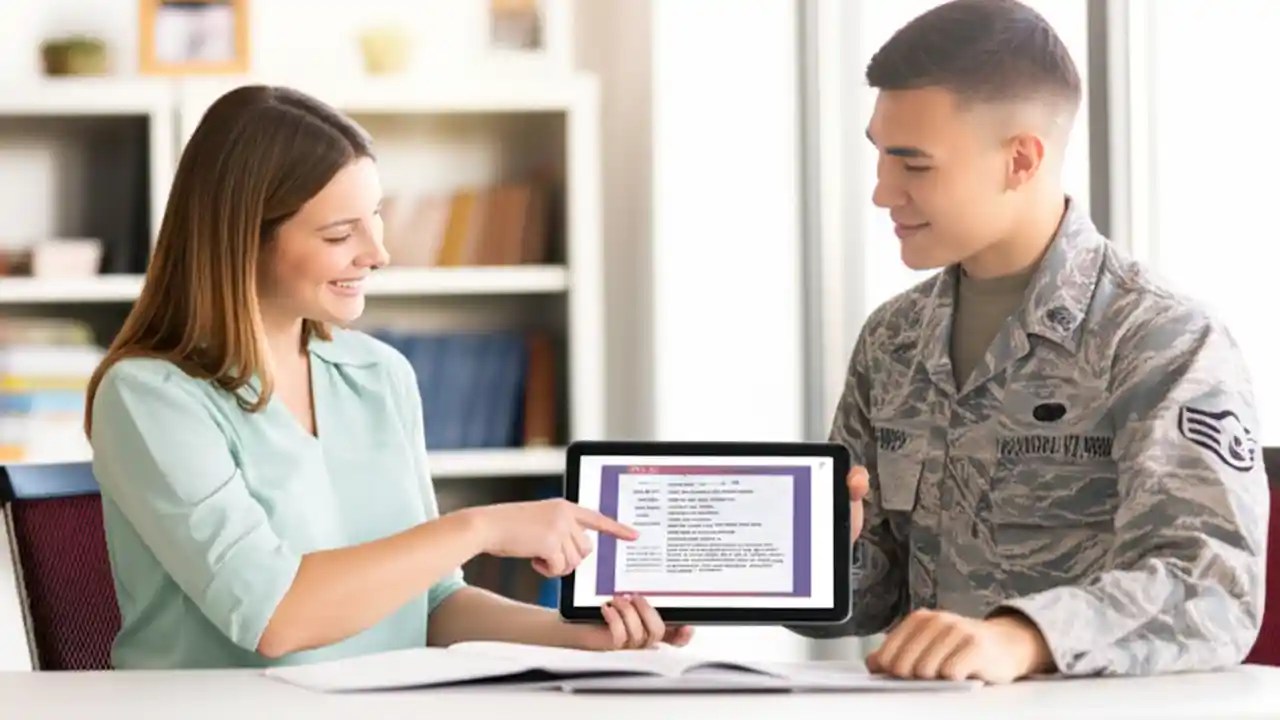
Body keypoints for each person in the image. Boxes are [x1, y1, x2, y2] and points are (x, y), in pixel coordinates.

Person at [83, 85, 692, 670]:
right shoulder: (149, 398)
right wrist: (481, 527)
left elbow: (430, 607)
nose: (377, 252)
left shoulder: (378, 375)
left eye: (374, 217)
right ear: (245, 240)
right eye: (340, 233)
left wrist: (585, 636)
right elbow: (273, 616)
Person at [788, 0, 1268, 684]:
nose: (881, 192)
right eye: (880, 159)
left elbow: (1213, 589)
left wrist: (1021, 640)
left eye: (914, 166)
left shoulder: (1163, 339)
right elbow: (875, 594)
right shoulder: (892, 340)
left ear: (1021, 159)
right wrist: (807, 558)